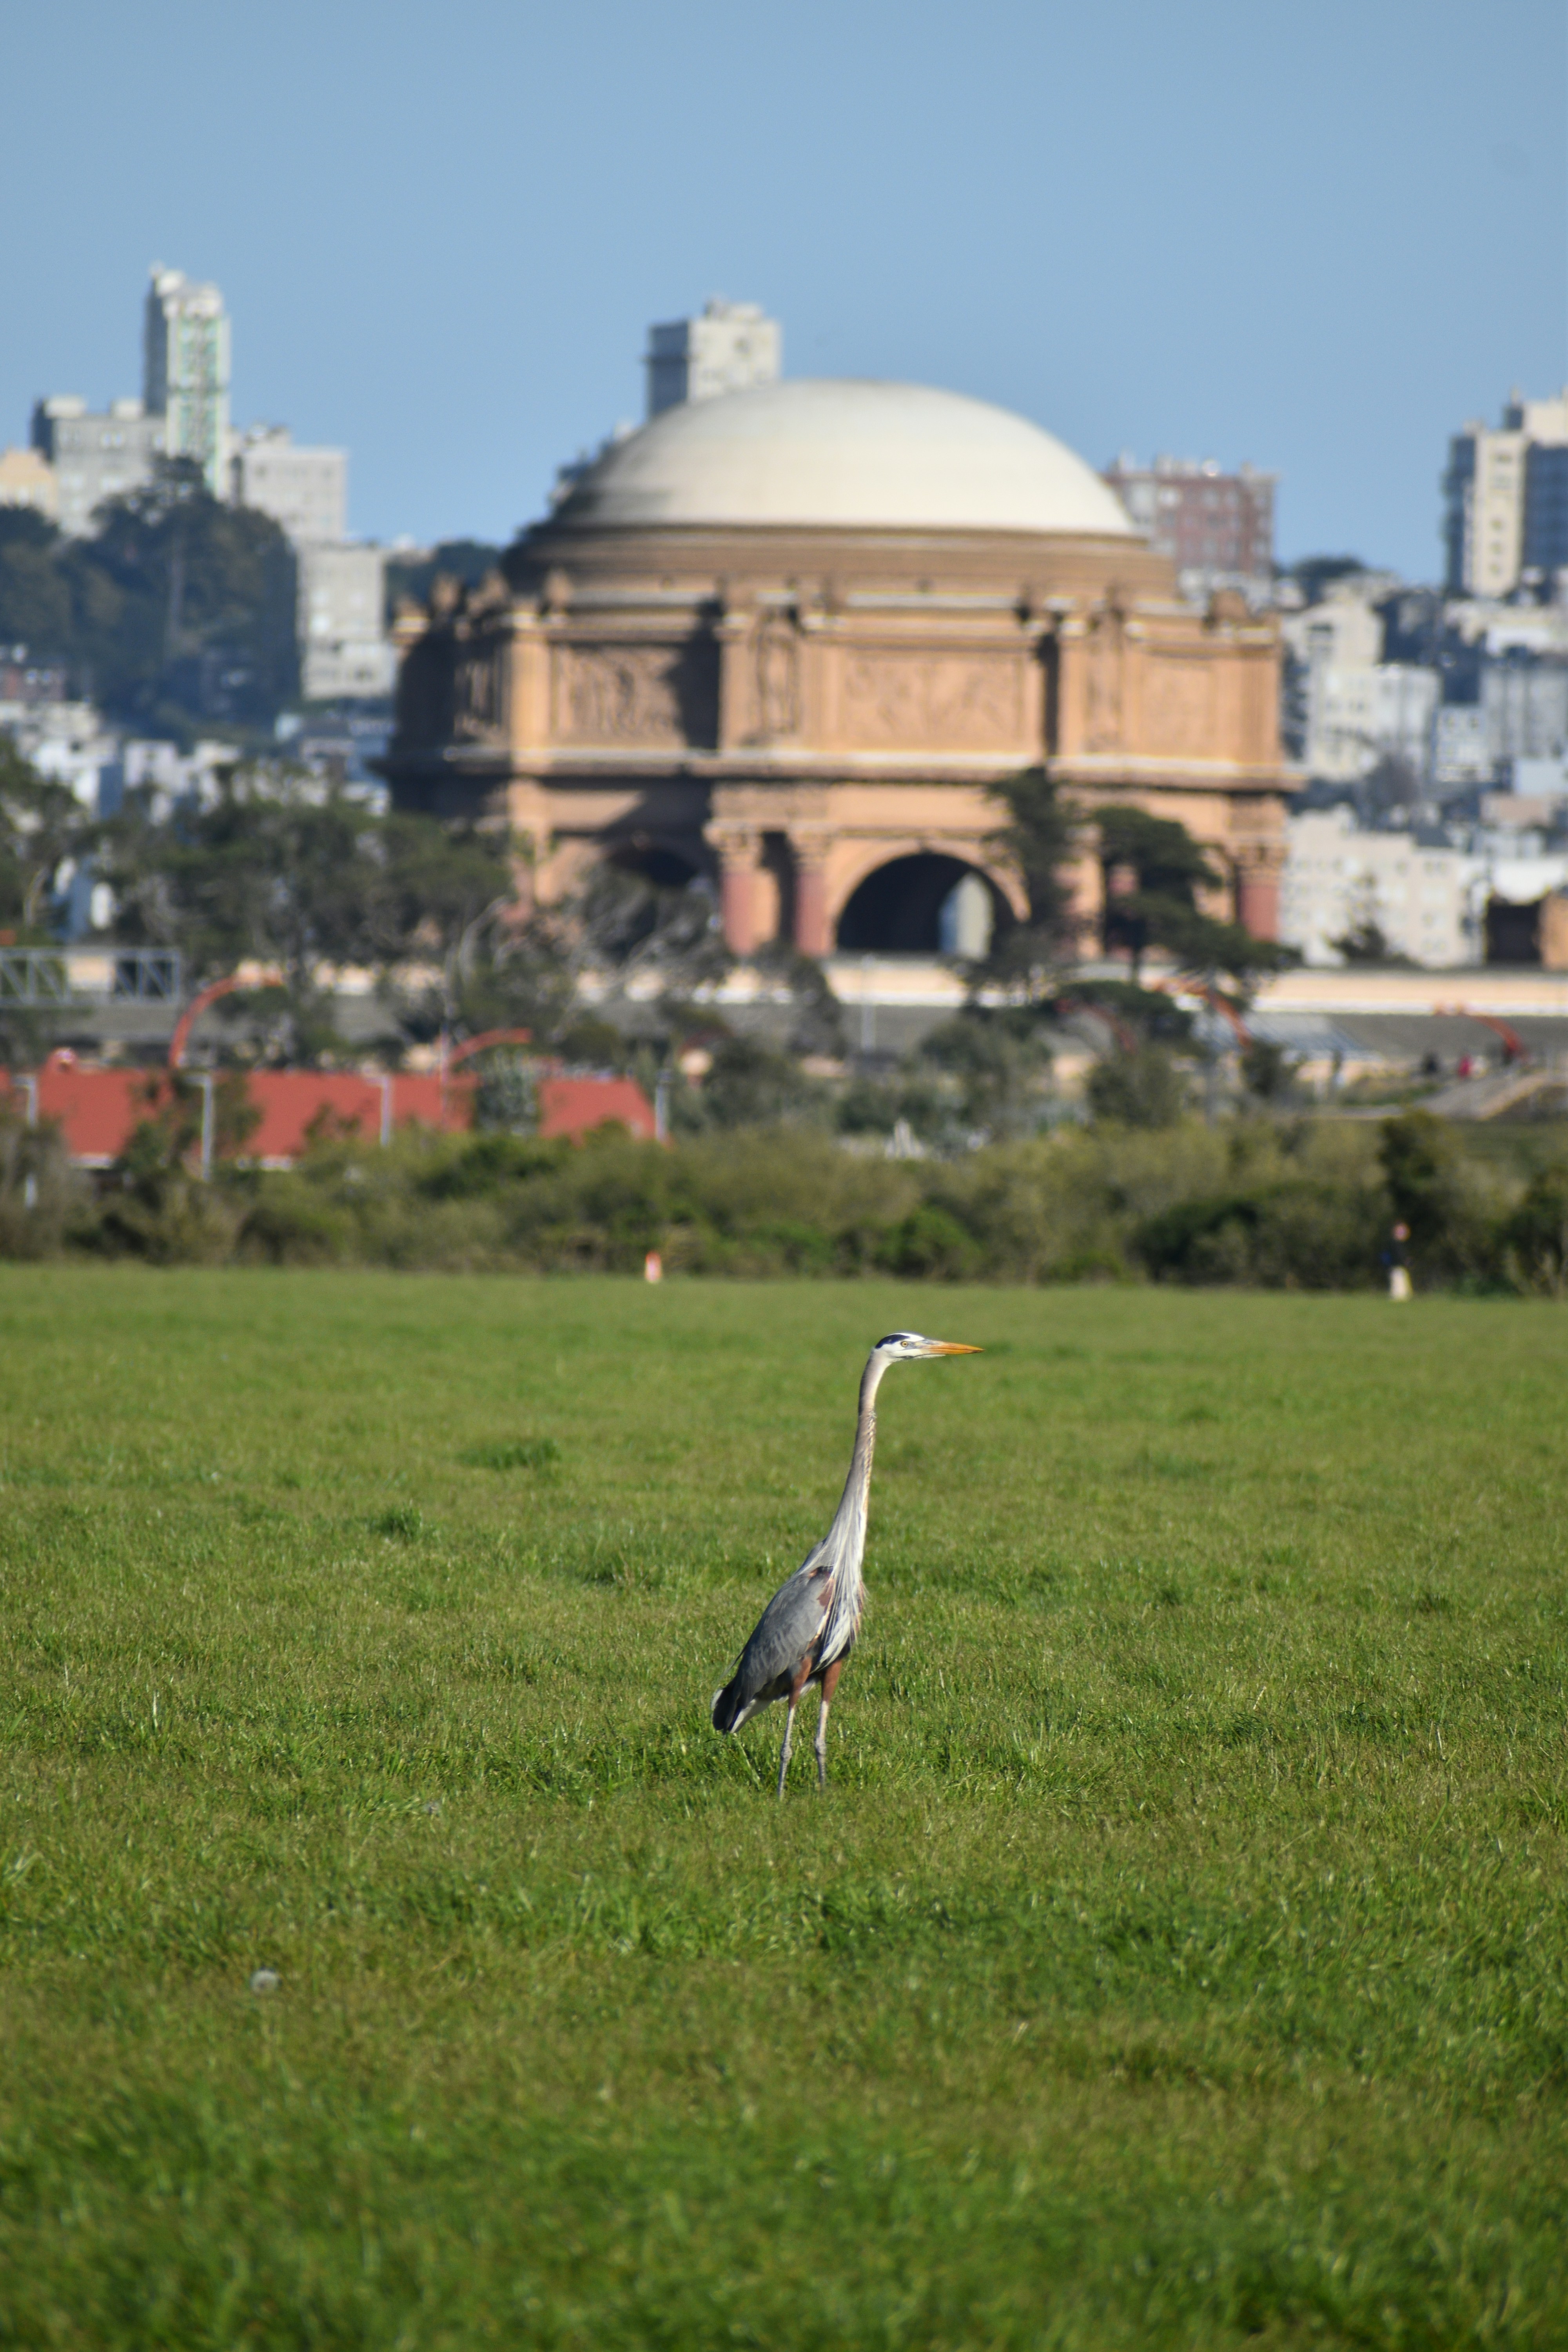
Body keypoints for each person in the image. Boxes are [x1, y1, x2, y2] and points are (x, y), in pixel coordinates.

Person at [1388, 1220, 1412, 1302]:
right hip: (1397, 1268)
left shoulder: (1398, 1244)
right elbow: (1399, 1257)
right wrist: (1405, 1262)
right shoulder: (1395, 1244)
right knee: (1398, 1291)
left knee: (1403, 1291)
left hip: (1400, 1269)